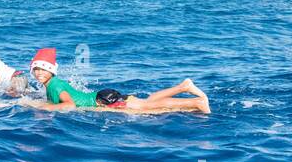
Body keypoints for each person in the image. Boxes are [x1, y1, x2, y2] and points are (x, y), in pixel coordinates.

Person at [29, 49, 210, 114]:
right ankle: (183, 86)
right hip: (104, 98)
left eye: (43, 69)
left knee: (147, 108)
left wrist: (45, 108)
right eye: (36, 69)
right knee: (147, 102)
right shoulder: (51, 84)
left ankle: (196, 102)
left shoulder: (55, 84)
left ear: (51, 70)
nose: (39, 73)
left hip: (105, 101)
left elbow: (68, 104)